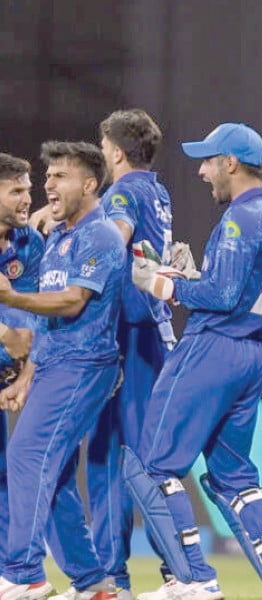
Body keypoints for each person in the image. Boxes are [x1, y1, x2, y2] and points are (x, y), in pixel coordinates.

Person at [122, 122, 262, 600]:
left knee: (152, 465)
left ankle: (193, 579)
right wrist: (192, 274)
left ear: (231, 163)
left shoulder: (241, 218)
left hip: (212, 347)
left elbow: (220, 296)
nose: (202, 171)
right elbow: (233, 289)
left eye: (208, 161)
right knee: (233, 475)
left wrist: (163, 282)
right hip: (251, 356)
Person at [0, 141, 126, 600]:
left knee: (27, 457)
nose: (47, 186)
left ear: (90, 185)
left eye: (59, 177)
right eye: (46, 176)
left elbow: (72, 302)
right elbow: (47, 325)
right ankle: (93, 583)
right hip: (54, 365)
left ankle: (22, 574)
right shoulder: (59, 237)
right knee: (49, 476)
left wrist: (10, 298)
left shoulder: (100, 235)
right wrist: (27, 376)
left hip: (82, 365)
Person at [91, 108, 176, 600]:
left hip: (128, 336)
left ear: (116, 152)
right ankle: (163, 571)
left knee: (122, 459)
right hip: (150, 332)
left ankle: (137, 576)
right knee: (137, 459)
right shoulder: (156, 190)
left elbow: (112, 238)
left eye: (103, 150)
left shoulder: (123, 192)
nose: (103, 157)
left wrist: (70, 237)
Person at [0, 153, 45, 574]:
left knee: (4, 473)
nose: (27, 199)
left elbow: (35, 317)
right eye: (16, 191)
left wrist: (24, 375)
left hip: (6, 375)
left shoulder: (29, 243)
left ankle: (16, 575)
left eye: (28, 190)